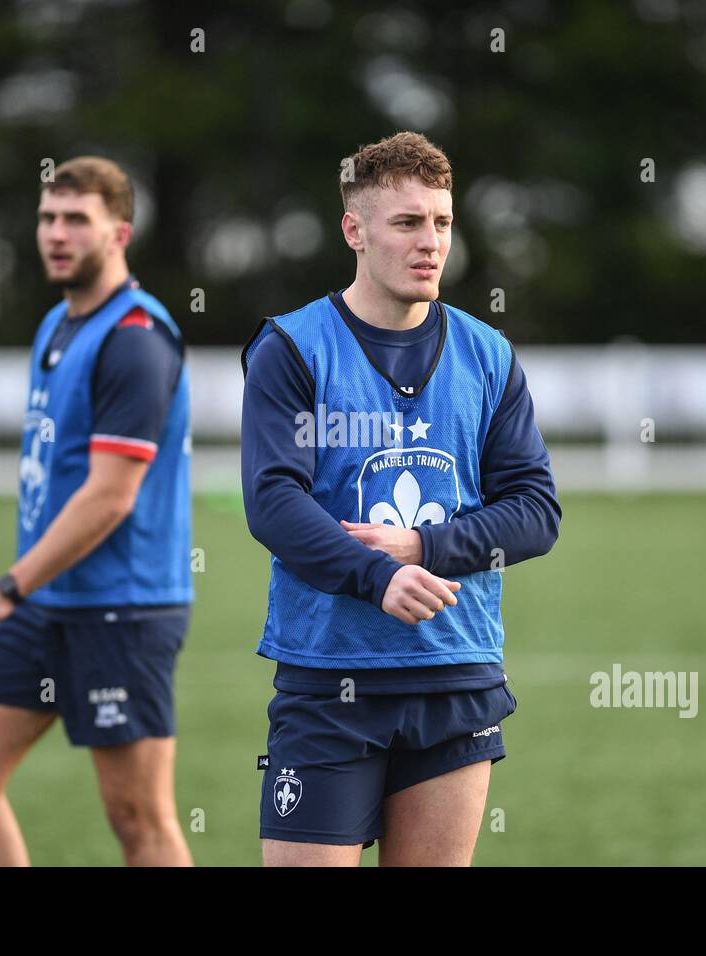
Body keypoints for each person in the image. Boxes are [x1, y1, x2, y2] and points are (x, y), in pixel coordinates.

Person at [241, 131, 561, 866]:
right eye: (408, 223)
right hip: (330, 679)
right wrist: (378, 577)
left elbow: (537, 510)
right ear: (355, 231)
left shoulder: (487, 353)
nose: (432, 244)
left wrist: (424, 548)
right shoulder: (290, 348)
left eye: (443, 223)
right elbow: (273, 502)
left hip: (457, 675)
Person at [0, 156, 193, 866]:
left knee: (138, 819)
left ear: (119, 234)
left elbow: (110, 496)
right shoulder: (56, 323)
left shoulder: (136, 339)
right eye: (48, 217)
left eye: (77, 219)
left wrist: (7, 587)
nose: (56, 233)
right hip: (48, 601)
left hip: (122, 607)